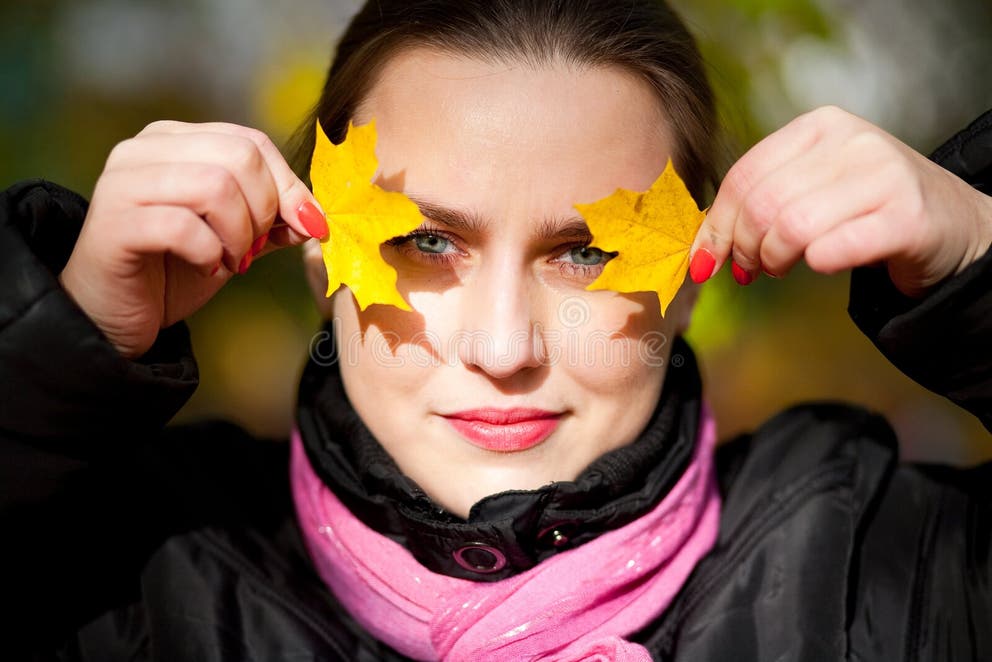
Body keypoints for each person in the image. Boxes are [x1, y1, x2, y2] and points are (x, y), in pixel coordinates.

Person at [2, 0, 990, 659]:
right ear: (315, 256)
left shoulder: (880, 558)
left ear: (691, 278)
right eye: (427, 239)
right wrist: (60, 342)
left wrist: (983, 262)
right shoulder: (134, 564)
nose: (504, 344)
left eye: (585, 251)